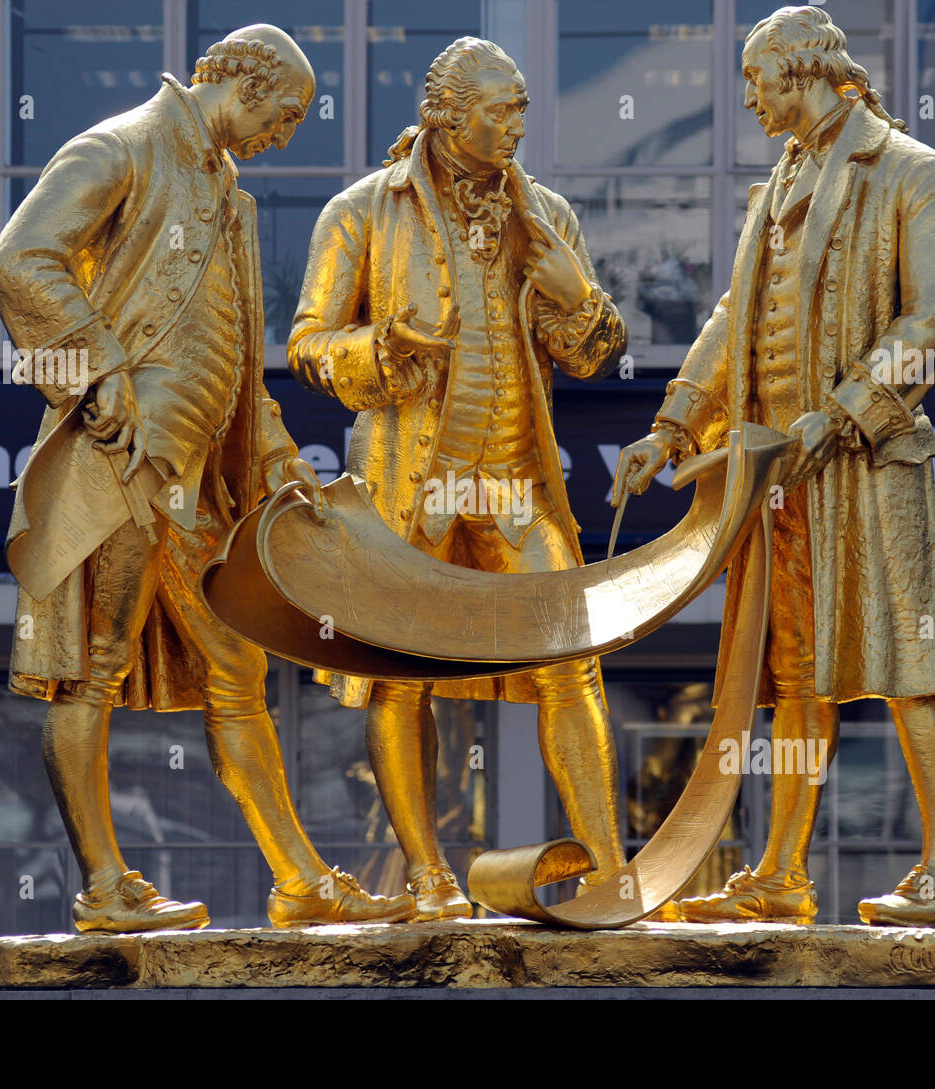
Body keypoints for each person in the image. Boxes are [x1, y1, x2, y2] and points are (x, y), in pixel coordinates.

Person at [0, 24, 413, 932]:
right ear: (241, 81)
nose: (286, 135)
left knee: (236, 663)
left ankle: (299, 883)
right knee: (92, 670)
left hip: (192, 480)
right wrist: (98, 373)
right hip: (120, 465)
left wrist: (278, 462)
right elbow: (19, 259)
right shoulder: (120, 146)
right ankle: (105, 887)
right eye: (285, 114)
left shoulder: (232, 198)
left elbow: (237, 363)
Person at [613, 5, 935, 928]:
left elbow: (933, 322)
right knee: (791, 674)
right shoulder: (777, 185)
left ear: (802, 70)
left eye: (756, 79)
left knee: (912, 657)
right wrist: (673, 421)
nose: (748, 97)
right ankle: (781, 872)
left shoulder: (911, 172)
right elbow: (736, 318)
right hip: (771, 476)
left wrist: (845, 412)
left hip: (867, 466)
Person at [289, 37, 630, 920]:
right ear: (446, 115)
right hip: (410, 485)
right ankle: (429, 876)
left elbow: (593, 356)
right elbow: (306, 344)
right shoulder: (361, 211)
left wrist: (577, 294)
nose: (520, 121)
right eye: (502, 107)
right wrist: (376, 353)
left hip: (515, 482)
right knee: (401, 674)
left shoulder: (545, 213)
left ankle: (608, 871)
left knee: (571, 663)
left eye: (523, 104)